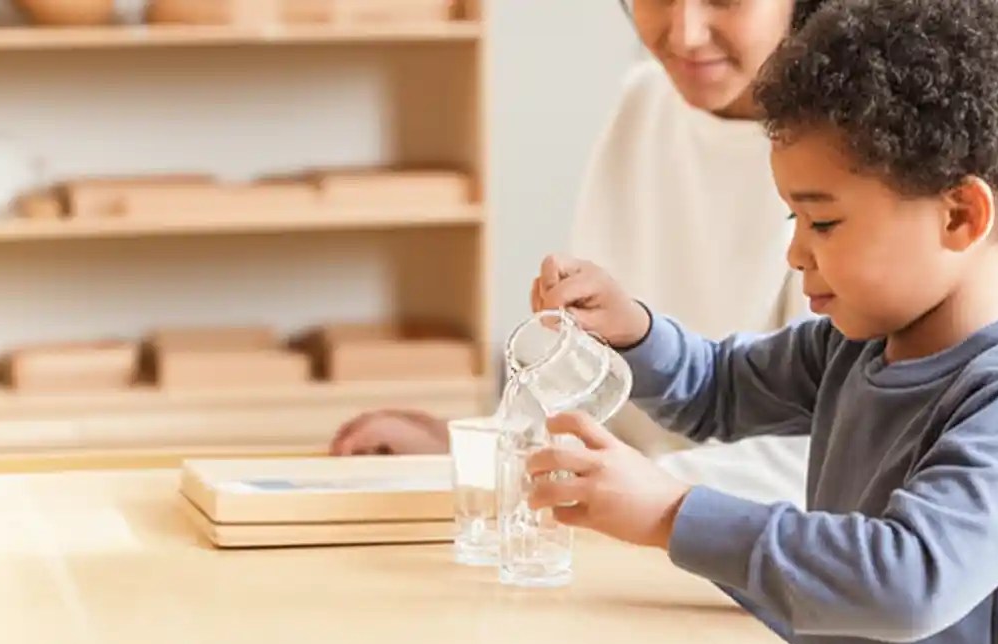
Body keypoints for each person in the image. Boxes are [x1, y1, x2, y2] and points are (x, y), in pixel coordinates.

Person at [522, 0, 998, 644]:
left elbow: (907, 580)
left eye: (822, 221)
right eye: (793, 219)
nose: (797, 250)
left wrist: (672, 513)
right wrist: (632, 332)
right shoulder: (859, 340)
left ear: (960, 216)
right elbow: (718, 389)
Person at [329, 0, 830, 505]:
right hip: (615, 520)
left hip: (726, 547)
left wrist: (565, 475)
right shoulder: (645, 102)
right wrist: (494, 448)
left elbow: (822, 460)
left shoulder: (849, 162)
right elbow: (590, 378)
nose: (685, 35)